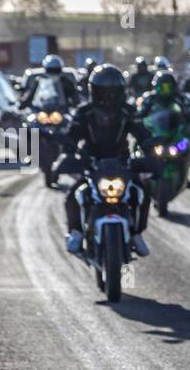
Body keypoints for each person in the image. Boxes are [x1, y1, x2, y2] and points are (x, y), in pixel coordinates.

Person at [62, 64, 153, 257]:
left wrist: (150, 152)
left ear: (120, 92)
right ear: (93, 91)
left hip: (121, 162)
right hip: (91, 162)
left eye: (112, 92)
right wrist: (68, 153)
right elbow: (72, 135)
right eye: (103, 92)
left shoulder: (128, 111)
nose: (108, 97)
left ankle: (137, 233)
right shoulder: (84, 112)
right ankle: (76, 232)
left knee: (142, 192)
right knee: (73, 195)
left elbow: (142, 134)